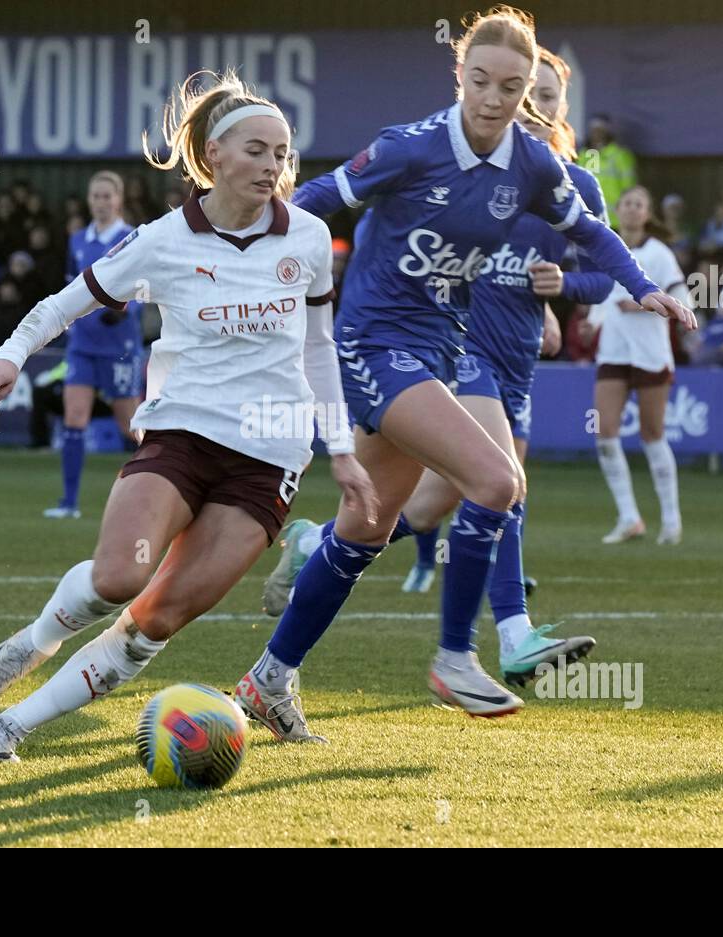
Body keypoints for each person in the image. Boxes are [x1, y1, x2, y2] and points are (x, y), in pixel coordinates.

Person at [240, 5, 695, 735]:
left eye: (511, 87)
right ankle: (459, 655)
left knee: (363, 531)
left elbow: (591, 233)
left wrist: (642, 286)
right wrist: (249, 244)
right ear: (460, 74)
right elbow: (320, 199)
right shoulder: (409, 149)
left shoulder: (534, 165)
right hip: (373, 343)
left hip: (437, 352)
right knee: (497, 479)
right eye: (480, 80)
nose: (494, 98)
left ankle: (269, 678)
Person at [0, 70, 375, 763]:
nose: (272, 165)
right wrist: (10, 356)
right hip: (183, 432)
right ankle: (33, 641)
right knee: (120, 575)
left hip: (270, 458)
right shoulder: (162, 240)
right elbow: (66, 303)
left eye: (282, 153)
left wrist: (340, 448)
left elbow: (319, 347)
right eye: (257, 150)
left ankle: (14, 726)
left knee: (157, 618)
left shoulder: (306, 236)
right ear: (214, 155)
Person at [263, 46, 608, 690]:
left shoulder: (563, 186)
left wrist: (564, 288)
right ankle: (503, 639)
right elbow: (392, 237)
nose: (529, 107)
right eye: (523, 94)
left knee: (418, 511)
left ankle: (301, 585)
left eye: (546, 98)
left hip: (514, 360)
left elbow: (597, 279)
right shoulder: (459, 163)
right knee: (499, 482)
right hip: (452, 351)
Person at [587, 186, 691, 546]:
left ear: (647, 214)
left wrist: (648, 304)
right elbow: (601, 296)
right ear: (618, 209)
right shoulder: (607, 247)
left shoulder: (659, 254)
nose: (632, 210)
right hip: (614, 351)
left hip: (650, 353)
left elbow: (685, 299)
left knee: (652, 434)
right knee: (605, 434)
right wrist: (592, 322)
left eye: (639, 205)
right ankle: (629, 517)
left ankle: (671, 520)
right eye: (627, 204)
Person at [44, 171, 145, 519]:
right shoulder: (77, 240)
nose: (101, 203)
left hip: (119, 346)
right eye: (96, 196)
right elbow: (70, 286)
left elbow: (145, 286)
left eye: (107, 196)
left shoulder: (132, 238)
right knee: (74, 418)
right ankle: (68, 502)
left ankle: (154, 497)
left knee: (130, 426)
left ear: (118, 200)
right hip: (83, 344)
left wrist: (128, 308)